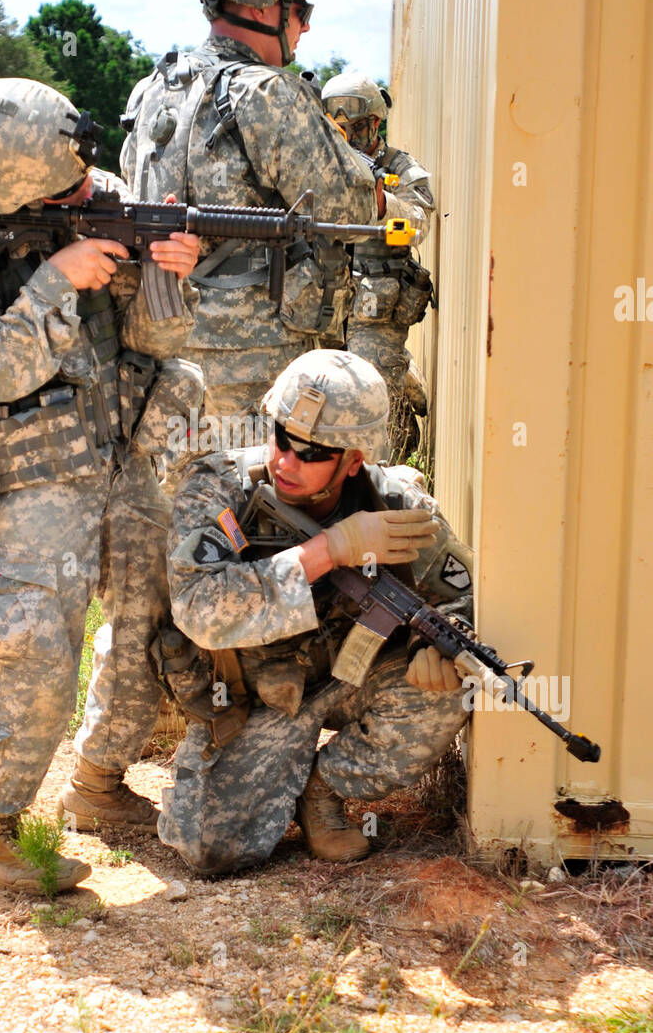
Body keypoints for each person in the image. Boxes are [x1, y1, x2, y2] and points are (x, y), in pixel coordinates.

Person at [0, 77, 200, 893]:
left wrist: (168, 272)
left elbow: (156, 336)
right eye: (68, 184)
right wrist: (55, 280)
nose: (89, 187)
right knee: (35, 647)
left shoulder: (102, 199)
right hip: (34, 476)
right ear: (19, 189)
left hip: (122, 454)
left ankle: (99, 786)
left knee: (147, 623)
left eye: (83, 171)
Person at [156, 350, 473, 875]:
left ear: (353, 460)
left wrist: (433, 644)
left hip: (350, 678)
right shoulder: (219, 489)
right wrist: (331, 550)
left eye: (311, 453)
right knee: (213, 852)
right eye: (281, 437)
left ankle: (323, 790)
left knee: (452, 685)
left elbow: (458, 592)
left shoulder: (394, 506)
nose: (285, 461)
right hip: (257, 695)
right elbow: (200, 609)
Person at [119, 0, 407, 447]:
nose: (305, 28)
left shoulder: (154, 89)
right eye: (300, 9)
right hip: (257, 360)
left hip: (166, 348)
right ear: (258, 7)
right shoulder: (269, 94)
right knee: (258, 508)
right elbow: (351, 208)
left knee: (187, 507)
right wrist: (388, 193)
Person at [321, 72, 436, 455]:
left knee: (377, 404)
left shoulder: (397, 167)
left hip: (376, 309)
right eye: (336, 129)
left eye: (352, 129)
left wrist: (380, 200)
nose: (346, 139)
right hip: (324, 303)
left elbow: (418, 226)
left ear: (373, 123)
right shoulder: (319, 167)